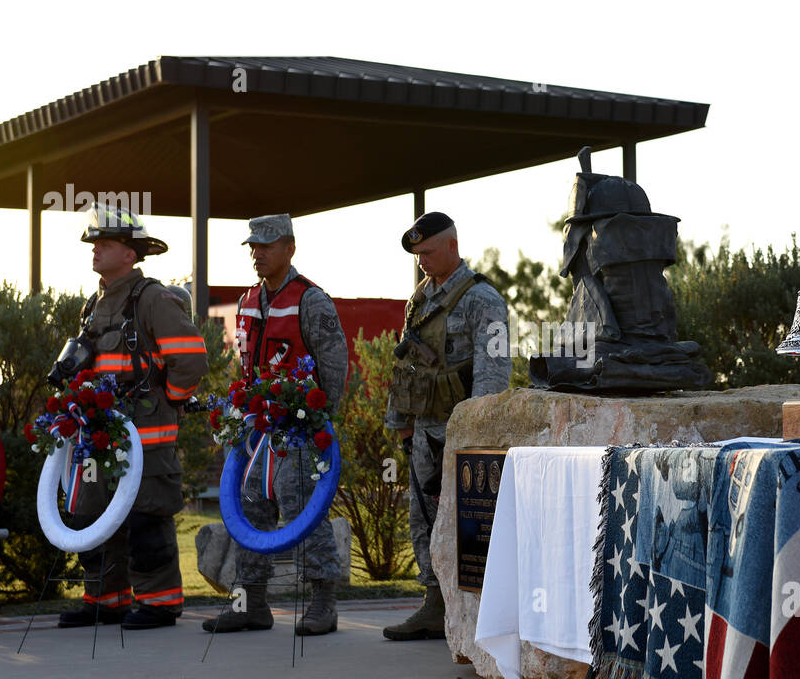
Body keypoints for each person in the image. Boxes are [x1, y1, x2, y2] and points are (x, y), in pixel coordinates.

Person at [58, 204, 209, 630]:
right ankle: (106, 600)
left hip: (147, 437)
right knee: (92, 515)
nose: (95, 251)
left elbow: (192, 360)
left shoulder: (154, 299)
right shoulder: (95, 304)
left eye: (104, 244)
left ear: (130, 253)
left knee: (147, 516)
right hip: (99, 438)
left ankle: (160, 604)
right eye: (94, 244)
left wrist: (170, 402)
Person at [202, 214, 349, 636]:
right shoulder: (248, 300)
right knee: (249, 505)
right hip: (256, 428)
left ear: (290, 248)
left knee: (300, 500)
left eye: (267, 245)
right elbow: (245, 363)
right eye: (253, 246)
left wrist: (322, 420)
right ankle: (251, 603)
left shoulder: (311, 300)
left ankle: (323, 600)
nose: (258, 252)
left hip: (301, 426)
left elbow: (334, 364)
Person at [383, 212, 511, 640]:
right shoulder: (419, 298)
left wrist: (476, 436)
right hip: (424, 431)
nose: (421, 260)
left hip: (462, 436)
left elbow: (492, 376)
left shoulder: (483, 300)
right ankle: (433, 605)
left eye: (428, 251)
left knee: (470, 525)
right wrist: (400, 422)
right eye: (417, 254)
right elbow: (406, 363)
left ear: (452, 247)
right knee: (422, 517)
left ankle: (476, 610)